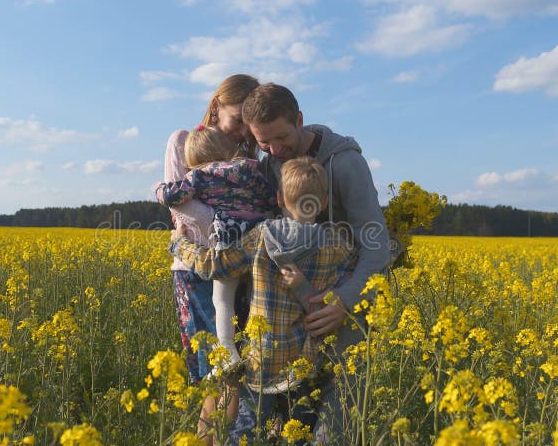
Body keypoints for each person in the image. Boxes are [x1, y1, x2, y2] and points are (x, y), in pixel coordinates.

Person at [170, 156, 357, 445]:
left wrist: (179, 244)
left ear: (279, 198)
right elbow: (349, 287)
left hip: (261, 359)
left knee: (245, 432)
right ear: (322, 203)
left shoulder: (262, 236)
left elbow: (215, 265)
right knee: (297, 431)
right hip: (306, 362)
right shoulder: (336, 245)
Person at [242, 82, 392, 442]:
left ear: (299, 119)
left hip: (345, 319)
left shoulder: (346, 164)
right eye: (264, 143)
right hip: (292, 333)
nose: (275, 150)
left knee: (333, 426)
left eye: (281, 138)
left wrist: (344, 302)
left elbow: (377, 247)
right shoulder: (270, 166)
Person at [160, 74, 260, 442]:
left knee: (243, 374)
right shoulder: (183, 141)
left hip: (241, 270)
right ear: (217, 106)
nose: (242, 133)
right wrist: (236, 228)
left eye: (249, 126)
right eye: (238, 121)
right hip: (196, 270)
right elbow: (183, 208)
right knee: (220, 376)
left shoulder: (248, 154)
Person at [156, 126, 277, 371]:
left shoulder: (200, 175)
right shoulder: (251, 169)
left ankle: (227, 352)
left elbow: (174, 197)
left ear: (195, 161)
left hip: (228, 245)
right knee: (258, 302)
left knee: (222, 300)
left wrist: (159, 189)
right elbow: (272, 198)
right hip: (256, 242)